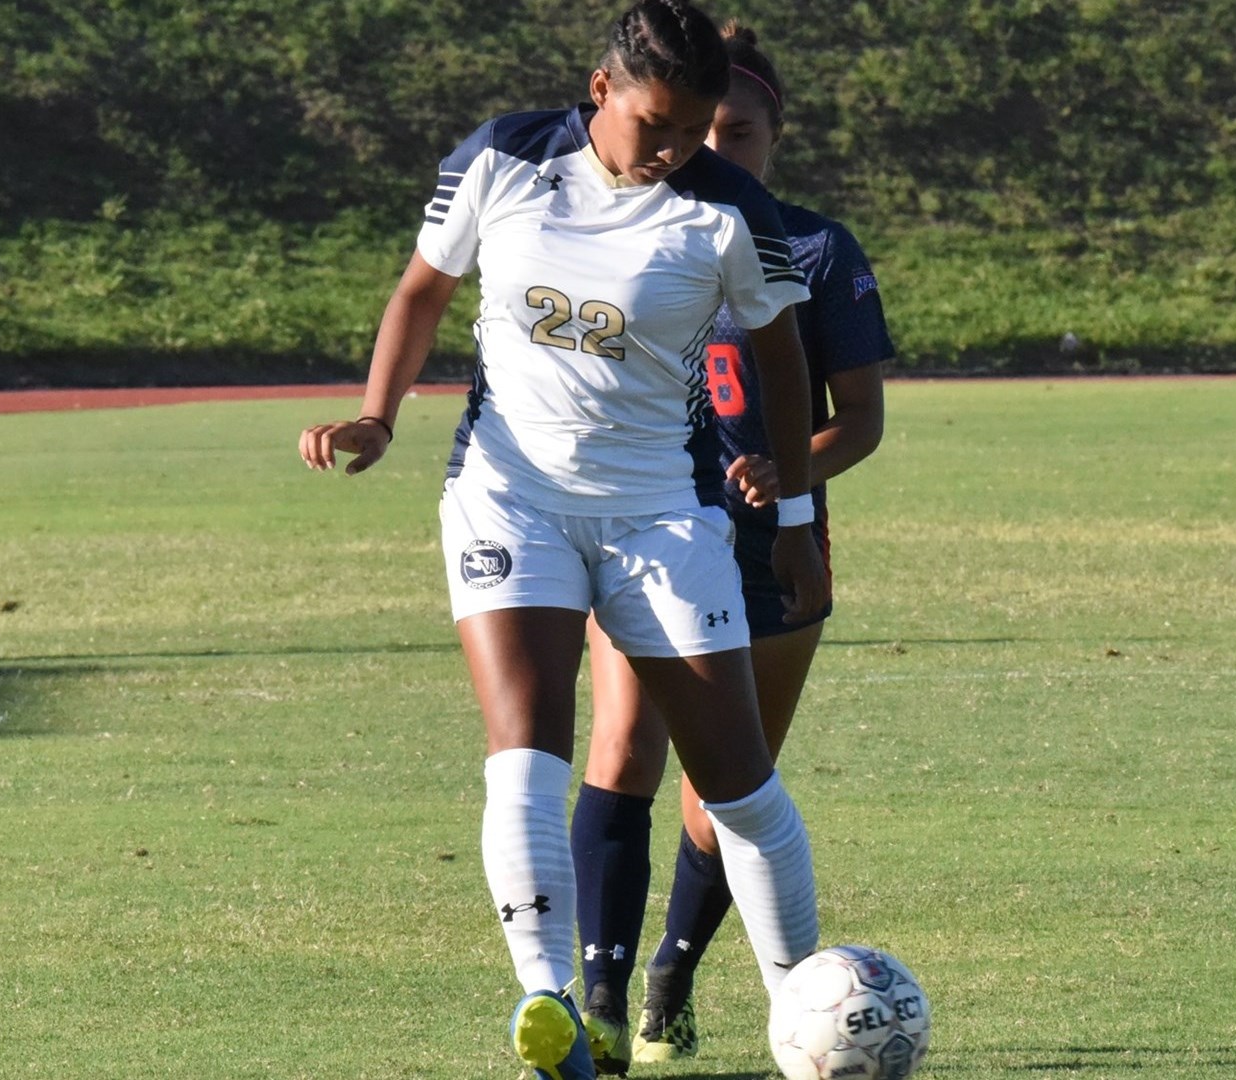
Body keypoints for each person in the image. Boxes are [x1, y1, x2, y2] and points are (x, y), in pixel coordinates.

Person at [296, 4, 826, 1078]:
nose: (672, 149)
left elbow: (781, 352)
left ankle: (805, 1012)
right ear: (600, 89)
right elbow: (423, 290)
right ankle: (549, 1007)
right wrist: (378, 417)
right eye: (654, 124)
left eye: (693, 130)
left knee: (738, 781)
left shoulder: (728, 210)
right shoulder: (504, 159)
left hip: (662, 512)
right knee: (527, 749)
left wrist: (789, 492)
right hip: (510, 497)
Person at [566, 20, 892, 1069]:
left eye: (736, 132)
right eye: (700, 130)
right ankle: (599, 998)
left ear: (772, 135)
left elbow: (861, 421)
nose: (712, 151)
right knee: (623, 747)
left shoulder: (817, 249)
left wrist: (791, 475)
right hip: (648, 528)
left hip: (775, 548)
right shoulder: (622, 236)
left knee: (728, 785)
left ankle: (671, 977)